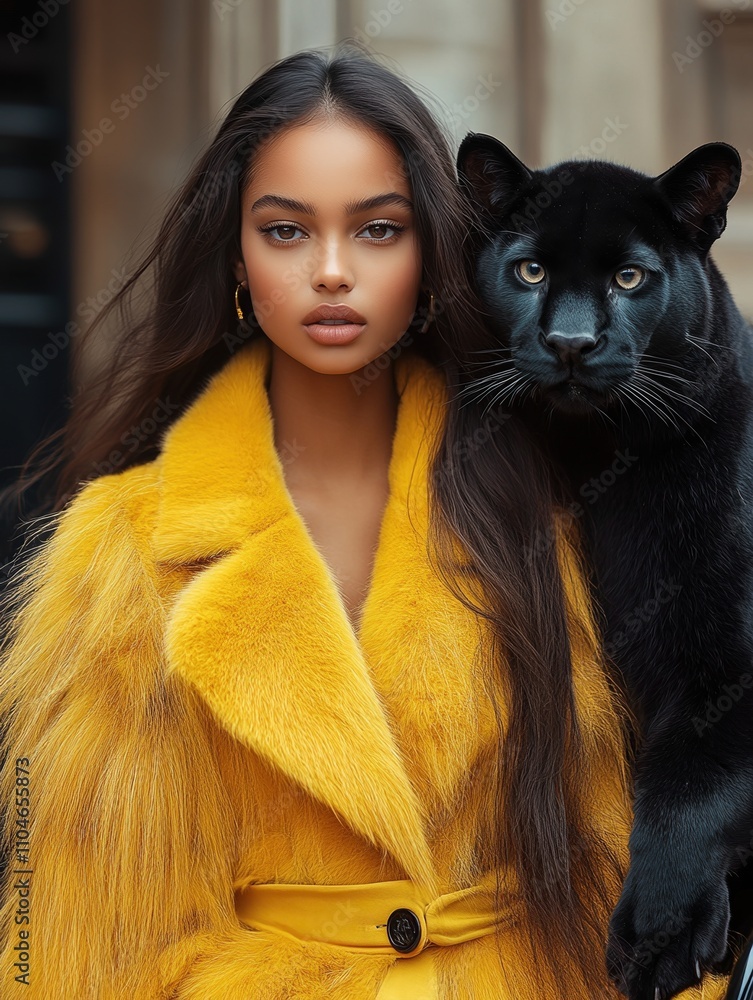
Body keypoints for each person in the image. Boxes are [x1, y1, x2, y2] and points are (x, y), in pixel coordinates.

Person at [0, 43, 732, 999]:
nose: (334, 271)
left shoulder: (553, 497)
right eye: (287, 231)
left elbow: (636, 842)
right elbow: (63, 923)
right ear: (235, 255)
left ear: (434, 249)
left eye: (378, 231)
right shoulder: (122, 550)